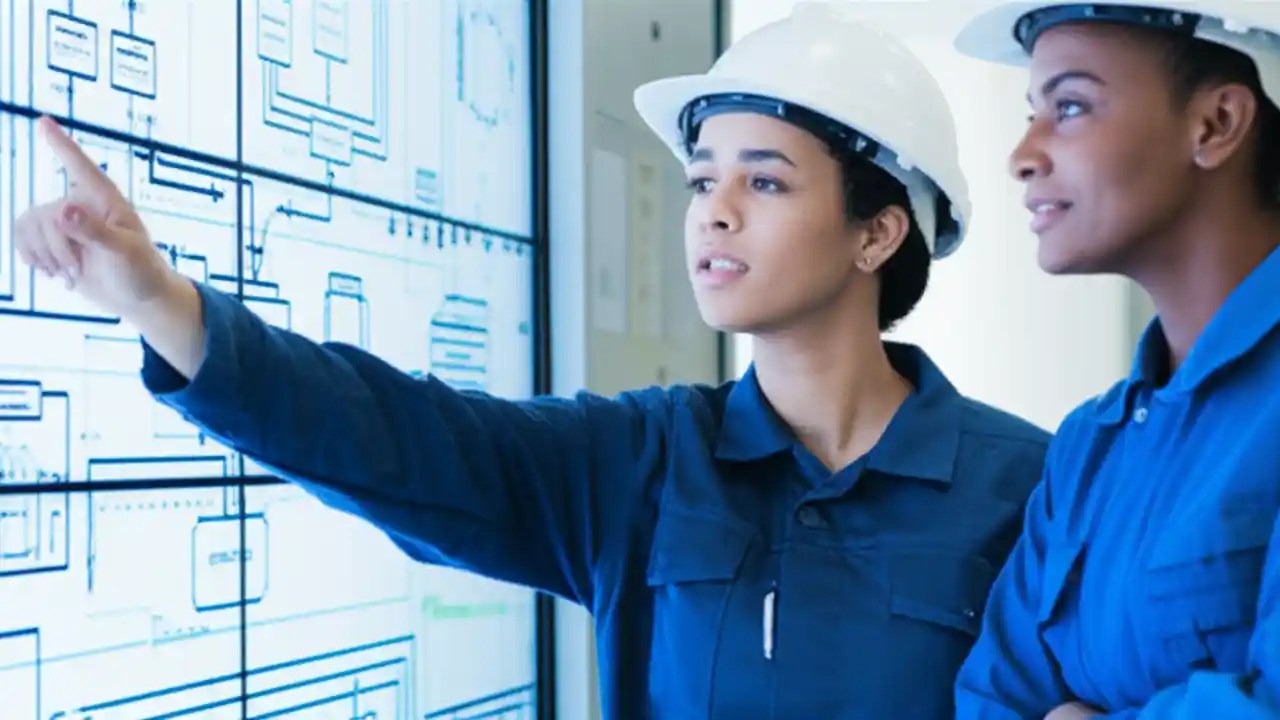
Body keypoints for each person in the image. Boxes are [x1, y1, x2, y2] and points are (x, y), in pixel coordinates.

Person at [12, 2, 1050, 717]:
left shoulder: (1031, 486)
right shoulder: (642, 464)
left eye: (764, 183)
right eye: (699, 182)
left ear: (877, 233)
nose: (713, 214)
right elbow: (400, 440)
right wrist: (162, 303)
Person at [950, 1, 1280, 718]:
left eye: (1069, 106)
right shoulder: (1089, 446)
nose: (1023, 154)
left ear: (1216, 124)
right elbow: (991, 698)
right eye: (1030, 111)